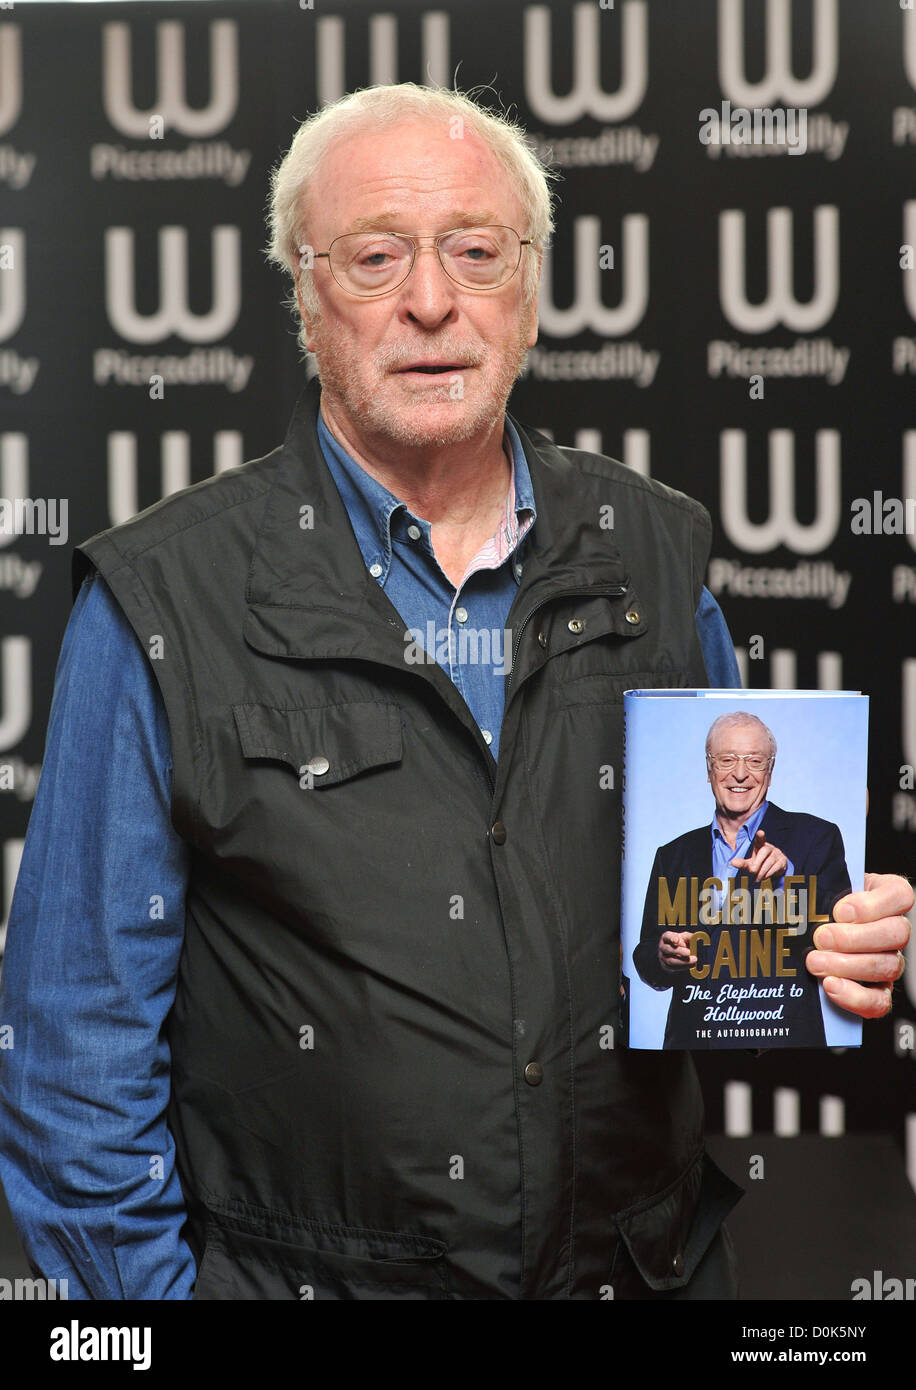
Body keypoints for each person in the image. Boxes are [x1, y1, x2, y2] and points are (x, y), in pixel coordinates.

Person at [0, 83, 910, 1302]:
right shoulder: (162, 599)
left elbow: (708, 933)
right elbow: (73, 1059)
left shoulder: (654, 551)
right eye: (375, 256)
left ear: (528, 292)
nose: (431, 300)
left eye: (475, 252)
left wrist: (826, 941)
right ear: (303, 295)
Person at [632, 712, 855, 1049]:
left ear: (771, 769)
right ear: (709, 769)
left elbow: (837, 935)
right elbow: (645, 950)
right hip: (694, 1050)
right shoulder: (672, 853)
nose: (740, 773)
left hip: (785, 1047)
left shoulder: (817, 836)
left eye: (754, 760)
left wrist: (786, 879)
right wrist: (664, 958)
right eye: (726, 760)